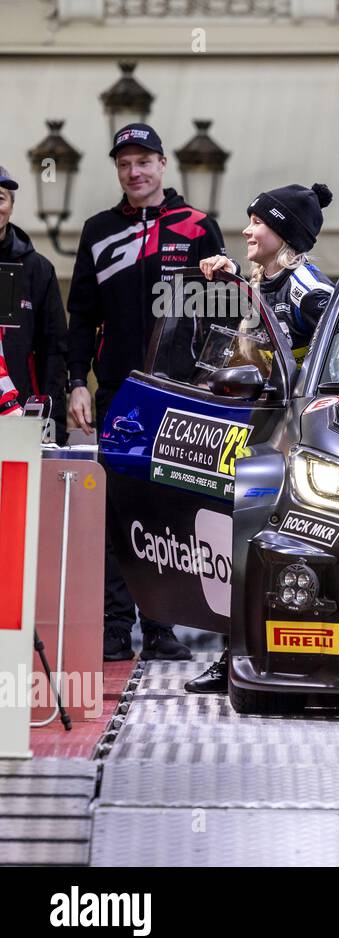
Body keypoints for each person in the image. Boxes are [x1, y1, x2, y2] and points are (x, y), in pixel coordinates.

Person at [65, 124, 230, 662]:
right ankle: (115, 627)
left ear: (162, 164)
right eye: (124, 164)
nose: (134, 172)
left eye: (143, 161)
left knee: (172, 511)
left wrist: (214, 385)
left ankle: (162, 627)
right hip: (119, 395)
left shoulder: (199, 227)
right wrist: (75, 384)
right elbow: (81, 319)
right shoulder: (97, 231)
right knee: (115, 509)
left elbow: (223, 316)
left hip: (182, 397)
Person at [185, 182, 335, 695]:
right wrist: (225, 277)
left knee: (261, 550)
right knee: (239, 546)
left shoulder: (310, 291)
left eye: (258, 223)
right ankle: (237, 656)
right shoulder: (268, 278)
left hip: (289, 446)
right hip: (256, 435)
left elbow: (336, 366)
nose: (247, 230)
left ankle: (255, 659)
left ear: (285, 233)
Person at [0, 166, 68, 438]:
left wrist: (55, 427)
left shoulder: (38, 270)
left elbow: (53, 350)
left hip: (19, 415)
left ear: (11, 207)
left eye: (0, 198)